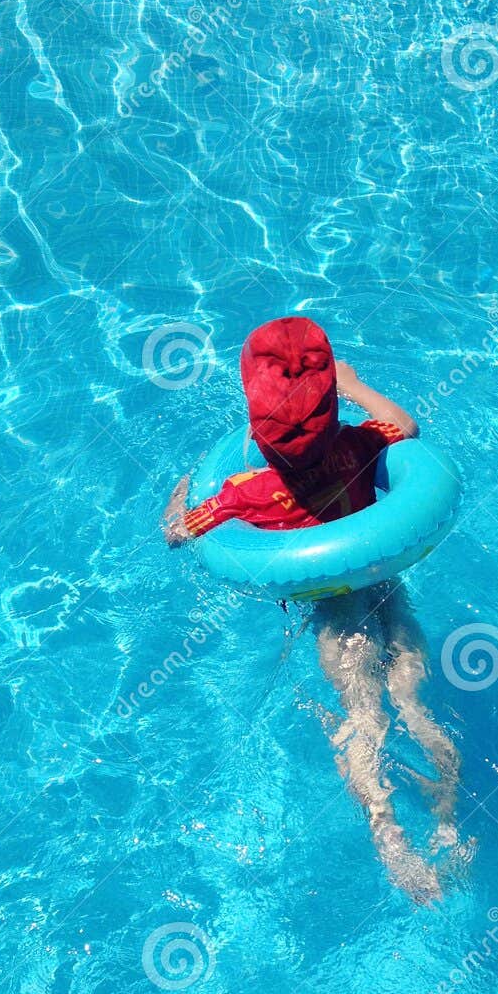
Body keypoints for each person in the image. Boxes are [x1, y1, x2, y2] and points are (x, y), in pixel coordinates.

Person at [163, 316, 462, 903]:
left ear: (257, 423)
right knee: (410, 697)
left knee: (363, 717)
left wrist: (184, 489)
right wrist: (351, 385)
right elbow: (407, 425)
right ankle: (447, 801)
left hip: (331, 616)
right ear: (331, 408)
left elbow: (180, 532)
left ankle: (389, 837)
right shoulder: (358, 446)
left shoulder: (243, 491)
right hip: (383, 584)